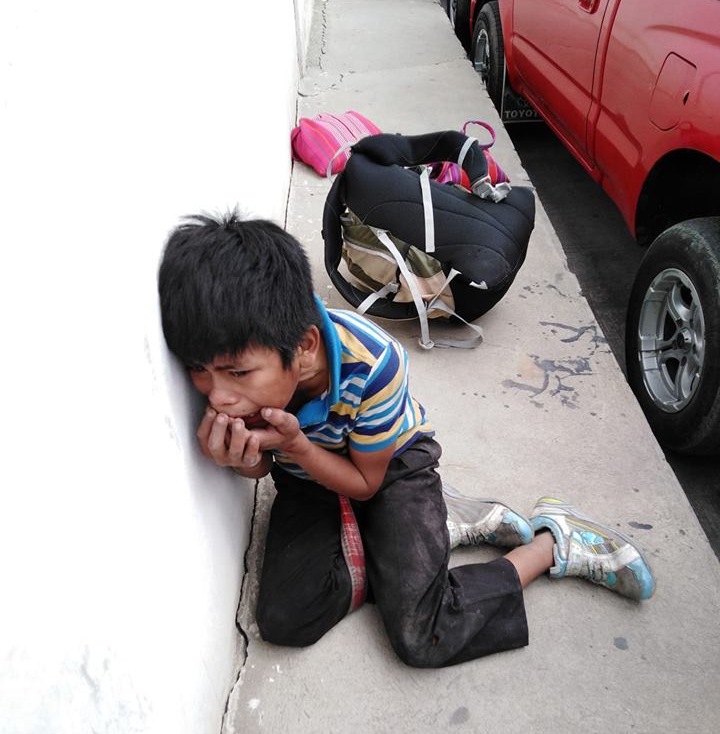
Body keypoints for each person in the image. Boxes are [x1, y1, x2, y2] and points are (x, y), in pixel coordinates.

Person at [158, 212, 655, 668]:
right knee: (288, 617)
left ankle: (554, 541)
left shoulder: (375, 363)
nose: (218, 395)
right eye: (199, 371)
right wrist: (244, 462)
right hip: (307, 477)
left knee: (423, 631)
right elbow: (264, 469)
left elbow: (365, 485)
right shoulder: (239, 373)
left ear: (304, 347)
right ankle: (435, 528)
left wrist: (295, 446)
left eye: (236, 372)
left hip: (389, 468)